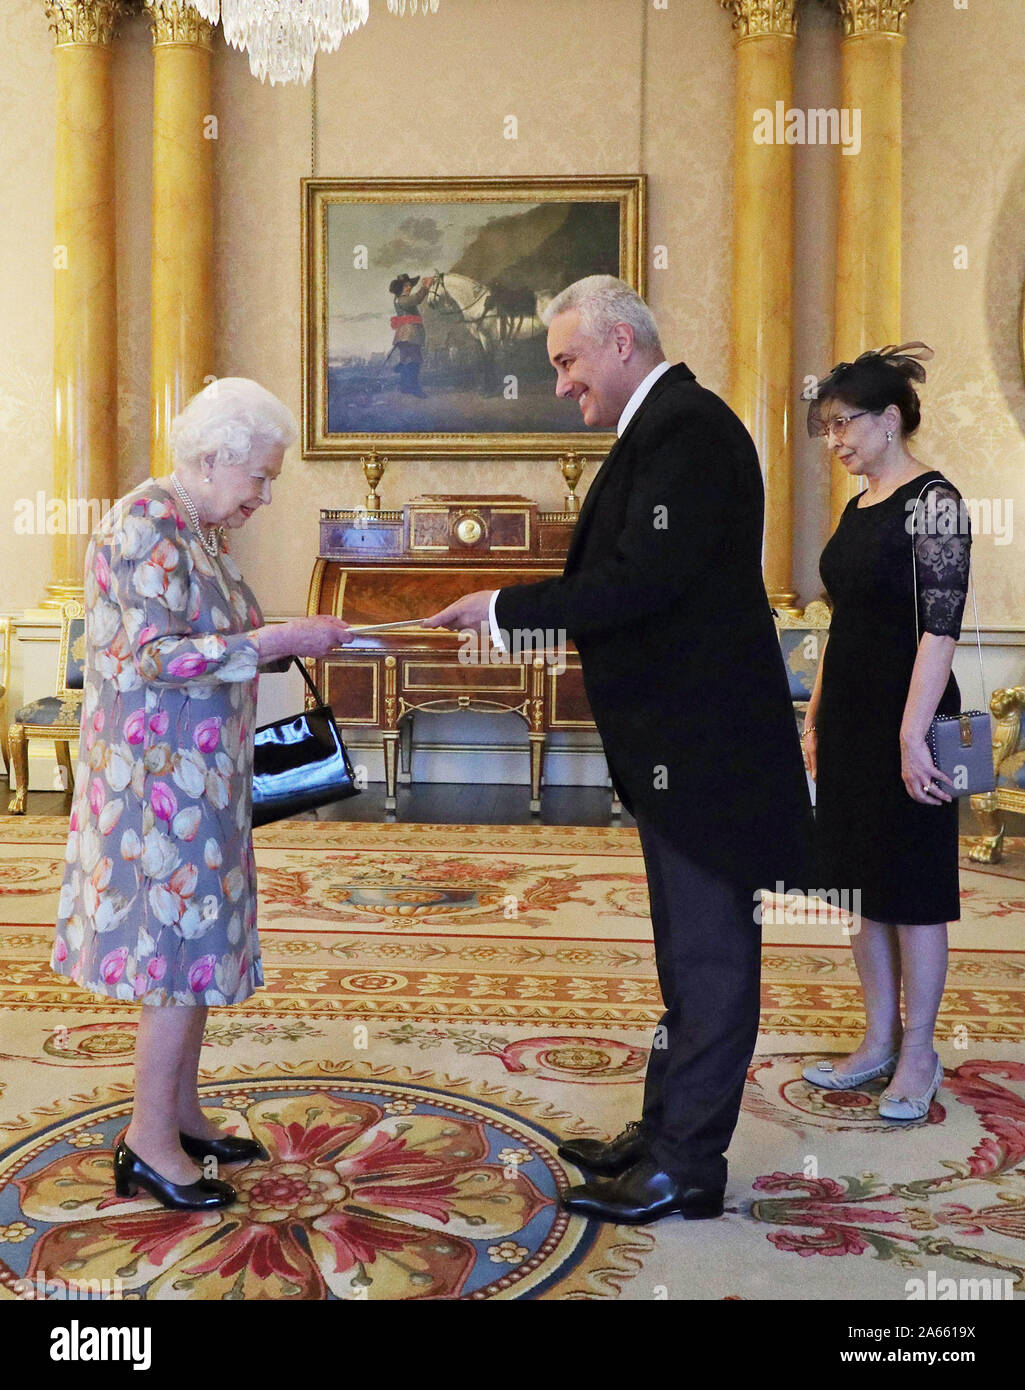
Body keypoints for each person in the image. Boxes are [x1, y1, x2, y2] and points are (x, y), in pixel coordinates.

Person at [423, 275, 813, 1224]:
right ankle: (663, 1130)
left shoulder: (684, 429)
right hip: (682, 749)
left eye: (565, 362)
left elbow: (642, 579)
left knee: (711, 955)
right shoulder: (666, 425)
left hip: (707, 753)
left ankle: (688, 1167)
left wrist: (508, 609)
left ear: (621, 343)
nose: (559, 385)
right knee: (684, 955)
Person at [51, 378, 353, 1210]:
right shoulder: (147, 523)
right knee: (175, 957)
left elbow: (214, 640)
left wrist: (281, 639)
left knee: (199, 945)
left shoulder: (197, 529)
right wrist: (276, 639)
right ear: (215, 457)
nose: (264, 493)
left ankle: (180, 1113)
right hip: (156, 786)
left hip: (198, 782)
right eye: (260, 475)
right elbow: (154, 656)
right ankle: (147, 1142)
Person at [801, 344, 969, 1120]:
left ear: (889, 419)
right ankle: (874, 1040)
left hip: (915, 714)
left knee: (914, 892)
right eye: (827, 428)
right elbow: (843, 622)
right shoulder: (859, 502)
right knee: (862, 889)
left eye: (843, 424)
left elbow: (939, 631)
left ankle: (918, 1051)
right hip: (850, 718)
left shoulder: (934, 501)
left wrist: (910, 736)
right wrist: (815, 710)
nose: (834, 441)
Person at [388, 272, 435, 396]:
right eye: (406, 286)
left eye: (410, 285)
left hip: (406, 334)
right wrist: (426, 286)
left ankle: (405, 387)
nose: (409, 288)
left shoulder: (400, 300)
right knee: (415, 360)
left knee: (406, 359)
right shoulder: (402, 300)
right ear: (400, 288)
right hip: (409, 334)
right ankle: (414, 389)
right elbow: (418, 298)